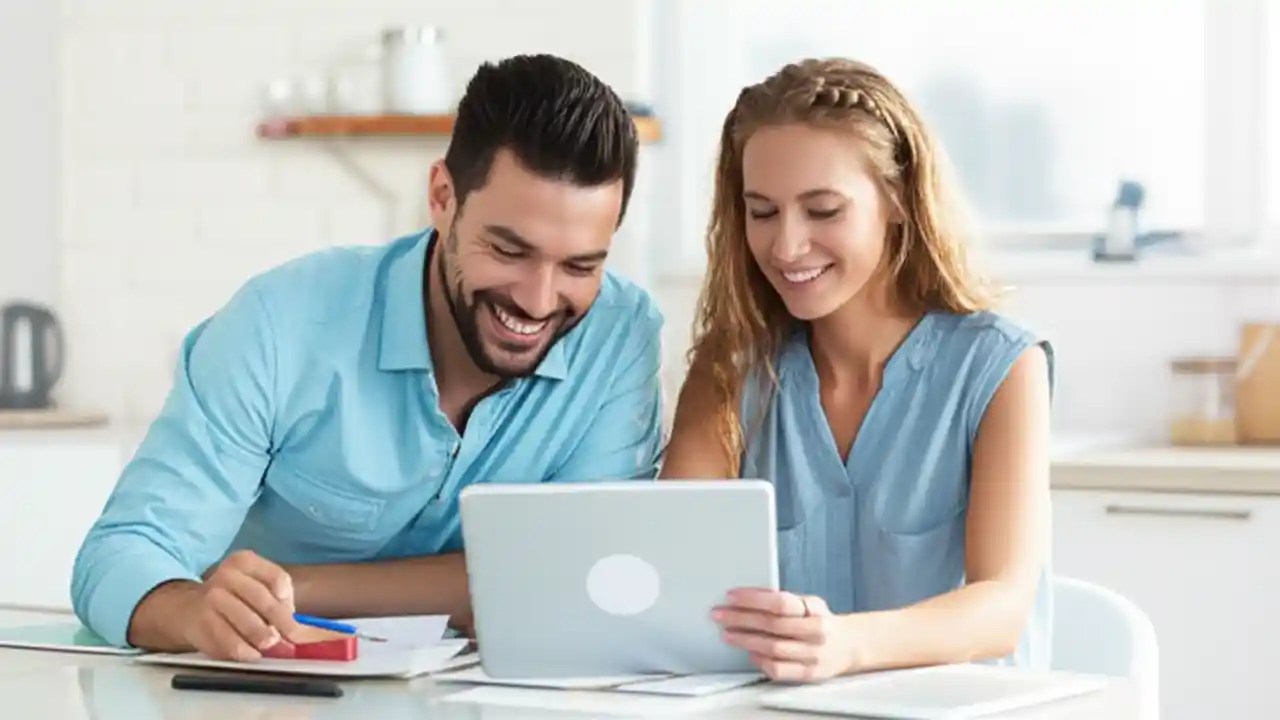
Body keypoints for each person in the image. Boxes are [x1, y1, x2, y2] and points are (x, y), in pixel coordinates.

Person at [71, 54, 665, 661]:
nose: (539, 301)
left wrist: (291, 588)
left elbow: (588, 571)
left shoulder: (619, 338)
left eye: (580, 266)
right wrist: (195, 611)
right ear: (442, 198)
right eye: (508, 250)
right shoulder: (281, 323)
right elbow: (122, 554)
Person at [661, 58, 1054, 682]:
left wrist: (845, 644)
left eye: (822, 211)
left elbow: (1001, 607)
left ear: (897, 199)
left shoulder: (1000, 369)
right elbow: (670, 577)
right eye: (763, 212)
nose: (787, 247)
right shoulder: (730, 369)